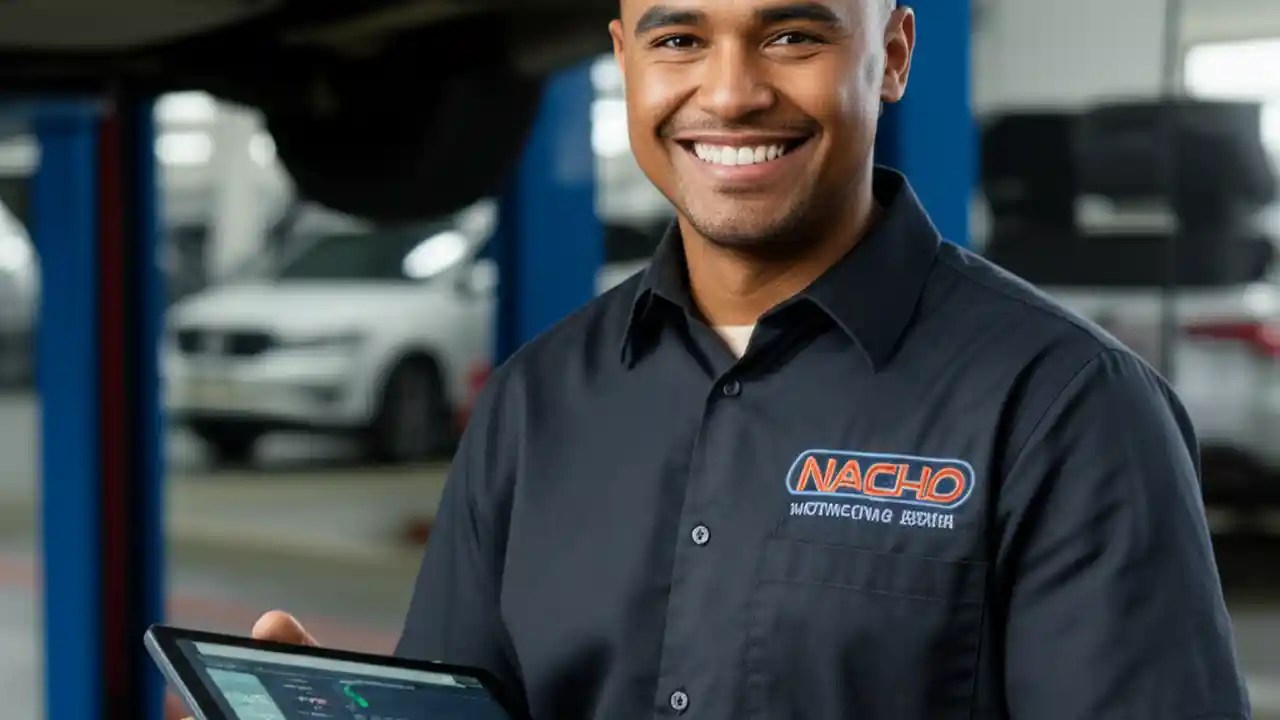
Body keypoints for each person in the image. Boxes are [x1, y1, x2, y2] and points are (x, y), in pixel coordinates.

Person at [196, 0, 1251, 717]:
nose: (731, 92)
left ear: (888, 54)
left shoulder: (1064, 408)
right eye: (679, 40)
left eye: (791, 34)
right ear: (623, 59)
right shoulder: (534, 404)